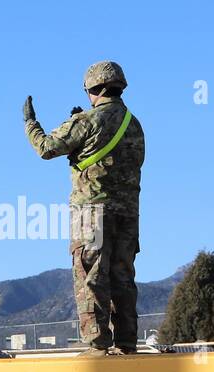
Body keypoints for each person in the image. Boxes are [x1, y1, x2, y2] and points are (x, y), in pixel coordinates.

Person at [24, 60, 145, 356]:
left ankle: (97, 344)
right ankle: (127, 343)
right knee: (123, 277)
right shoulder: (135, 124)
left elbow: (47, 148)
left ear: (94, 88)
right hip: (128, 214)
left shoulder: (87, 122)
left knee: (91, 276)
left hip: (92, 212)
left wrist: (30, 123)